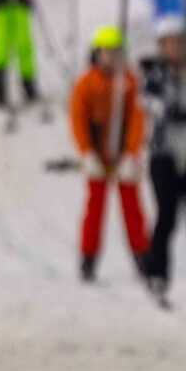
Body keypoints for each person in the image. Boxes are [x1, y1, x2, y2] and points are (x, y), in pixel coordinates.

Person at [138, 20, 186, 308]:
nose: (175, 48)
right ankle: (157, 274)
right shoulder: (153, 74)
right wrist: (168, 107)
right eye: (168, 42)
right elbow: (148, 102)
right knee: (166, 216)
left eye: (180, 41)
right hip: (166, 154)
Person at [67, 25, 149, 283]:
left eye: (117, 52)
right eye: (107, 52)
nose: (112, 58)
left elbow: (137, 117)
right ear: (97, 53)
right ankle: (88, 258)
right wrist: (87, 154)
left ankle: (143, 257)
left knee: (132, 208)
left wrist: (131, 153)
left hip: (123, 155)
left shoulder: (130, 81)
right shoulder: (86, 83)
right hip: (98, 156)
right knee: (94, 209)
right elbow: (77, 119)